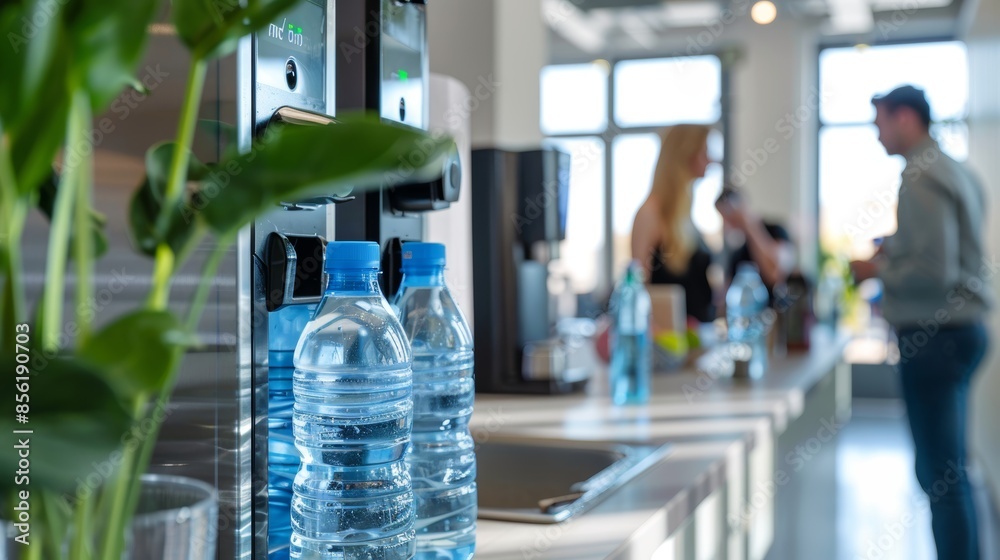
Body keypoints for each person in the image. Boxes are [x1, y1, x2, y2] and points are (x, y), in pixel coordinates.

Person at [851, 85, 991, 560]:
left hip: (937, 338)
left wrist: (874, 269)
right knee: (949, 470)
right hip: (959, 334)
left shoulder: (921, 174)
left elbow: (935, 271)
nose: (876, 134)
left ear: (905, 117)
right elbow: (945, 253)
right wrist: (898, 245)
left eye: (880, 122)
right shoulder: (955, 171)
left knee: (941, 474)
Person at [631, 124, 715, 323]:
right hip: (670, 344)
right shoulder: (650, 213)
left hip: (696, 338)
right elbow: (638, 287)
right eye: (704, 152)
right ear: (685, 154)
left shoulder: (684, 214)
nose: (710, 160)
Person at [715, 186, 795, 291]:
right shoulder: (737, 251)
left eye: (728, 216)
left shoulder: (777, 231)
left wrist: (749, 226)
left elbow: (775, 274)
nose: (727, 223)